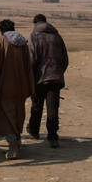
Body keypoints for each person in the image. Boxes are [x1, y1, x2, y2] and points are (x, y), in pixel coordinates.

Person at [0, 19, 35, 160]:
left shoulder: (0, 41)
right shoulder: (23, 43)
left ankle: (13, 146)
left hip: (4, 86)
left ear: (1, 30)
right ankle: (17, 140)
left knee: (3, 114)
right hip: (21, 86)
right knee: (17, 113)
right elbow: (29, 65)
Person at [28, 13, 69, 147]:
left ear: (35, 23)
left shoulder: (34, 36)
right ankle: (52, 137)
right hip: (55, 77)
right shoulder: (57, 36)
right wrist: (58, 72)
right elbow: (65, 59)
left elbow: (32, 60)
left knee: (37, 105)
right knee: (53, 108)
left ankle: (34, 131)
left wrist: (31, 76)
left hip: (40, 78)